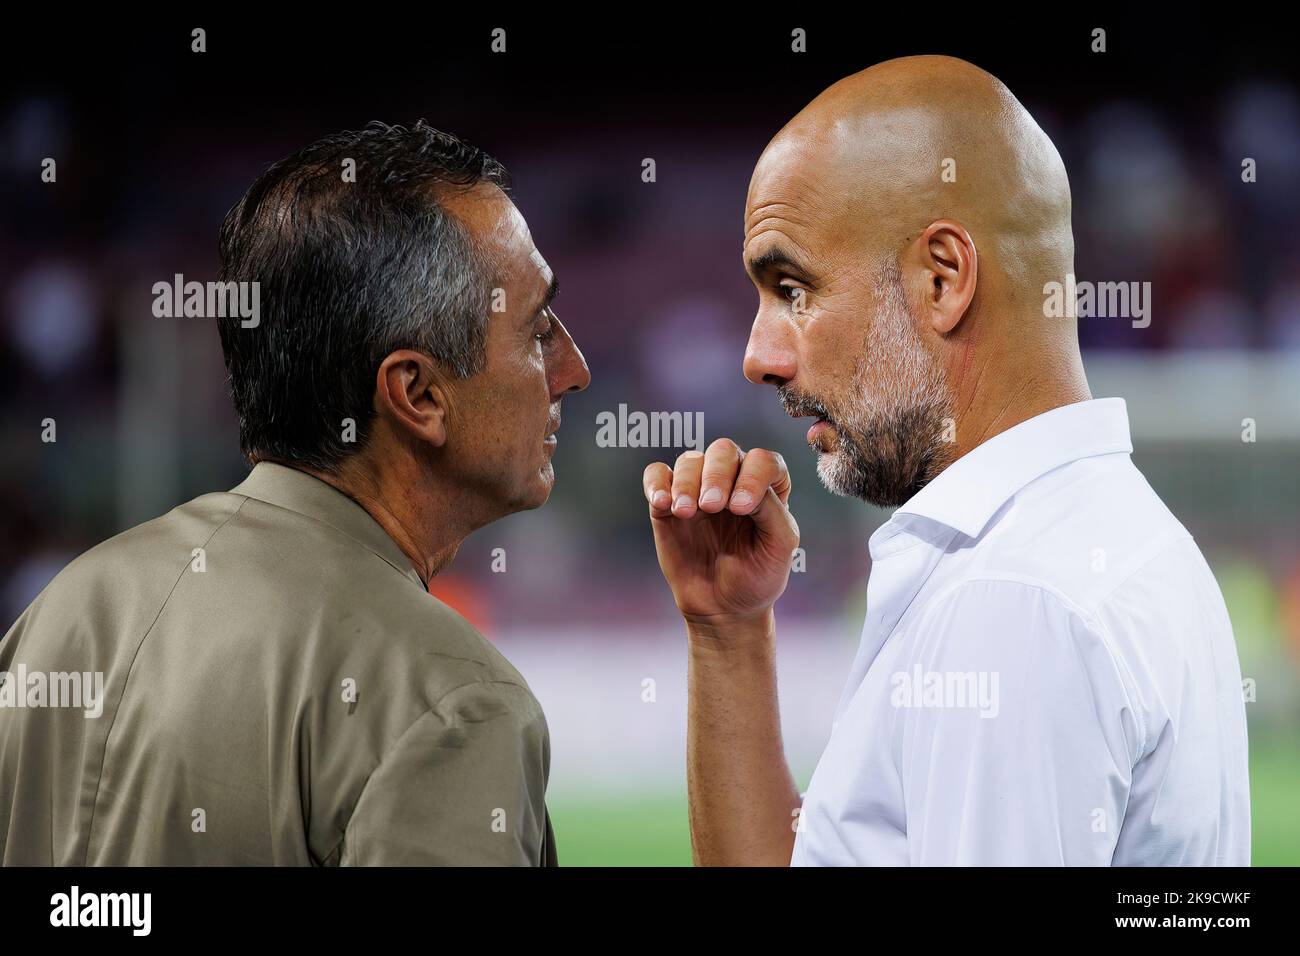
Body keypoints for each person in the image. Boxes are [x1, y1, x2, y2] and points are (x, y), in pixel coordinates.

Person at [643, 56, 1250, 866]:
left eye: (792, 289)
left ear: (943, 279)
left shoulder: (1013, 602)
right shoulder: (1097, 537)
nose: (758, 356)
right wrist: (727, 633)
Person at [0, 121, 590, 865]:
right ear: (416, 394)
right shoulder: (451, 702)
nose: (574, 368)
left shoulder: (65, 611)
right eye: (538, 330)